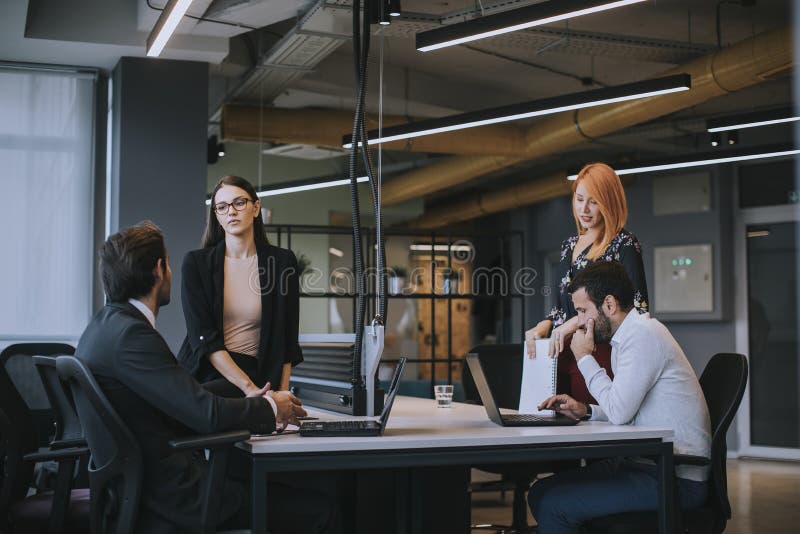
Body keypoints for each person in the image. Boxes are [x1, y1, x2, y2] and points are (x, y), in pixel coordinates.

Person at [75, 221, 333, 534]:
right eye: (168, 263)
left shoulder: (104, 327)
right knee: (321, 509)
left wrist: (245, 398)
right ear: (160, 269)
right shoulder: (132, 336)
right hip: (176, 500)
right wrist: (272, 407)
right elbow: (206, 415)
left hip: (138, 488)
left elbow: (175, 402)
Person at [528, 261, 711, 533]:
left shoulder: (643, 336)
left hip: (674, 476)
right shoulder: (625, 338)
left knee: (555, 504)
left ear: (609, 305)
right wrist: (587, 411)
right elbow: (625, 406)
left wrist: (584, 357)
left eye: (582, 311)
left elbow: (620, 413)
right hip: (646, 464)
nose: (578, 321)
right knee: (541, 491)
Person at [525, 162, 649, 404]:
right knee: (555, 426)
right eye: (579, 199)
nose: (584, 208)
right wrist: (543, 327)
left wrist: (575, 322)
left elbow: (637, 309)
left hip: (599, 353)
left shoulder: (623, 244)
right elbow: (560, 309)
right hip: (560, 354)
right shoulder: (569, 244)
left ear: (609, 202)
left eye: (594, 201)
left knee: (592, 427)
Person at [177, 175, 302, 397]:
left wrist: (282, 396)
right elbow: (204, 339)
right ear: (216, 215)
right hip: (208, 373)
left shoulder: (282, 262)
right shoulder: (197, 264)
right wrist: (251, 390)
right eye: (222, 207)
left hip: (259, 374)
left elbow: (288, 338)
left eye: (239, 203)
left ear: (255, 208)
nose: (231, 212)